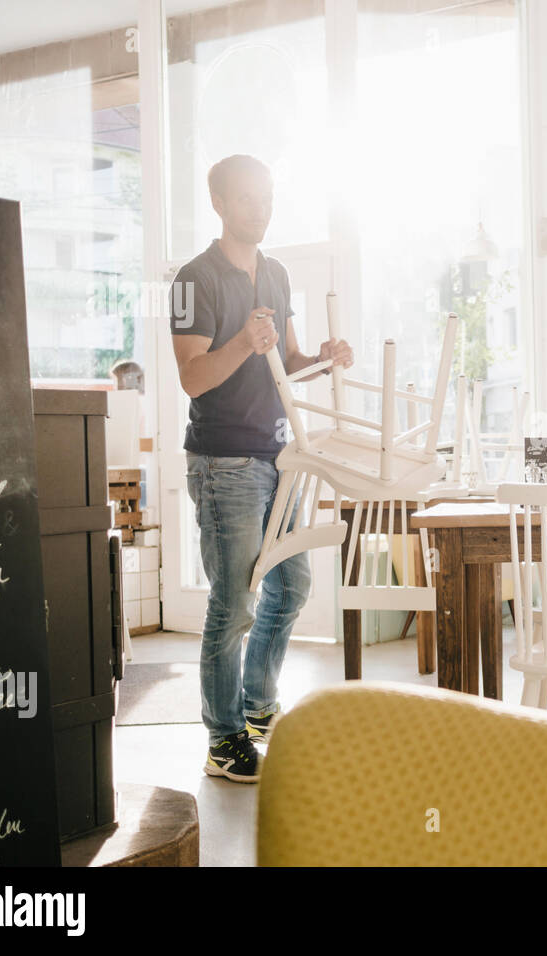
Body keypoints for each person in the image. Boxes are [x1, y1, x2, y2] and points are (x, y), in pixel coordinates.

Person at [170, 154, 352, 783]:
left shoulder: (275, 274)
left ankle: (256, 710)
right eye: (247, 197)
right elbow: (193, 377)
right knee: (235, 600)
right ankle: (223, 740)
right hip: (225, 460)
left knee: (291, 587)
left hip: (281, 456)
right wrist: (243, 341)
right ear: (218, 202)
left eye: (267, 195)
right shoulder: (195, 279)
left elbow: (291, 362)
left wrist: (323, 359)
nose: (261, 207)